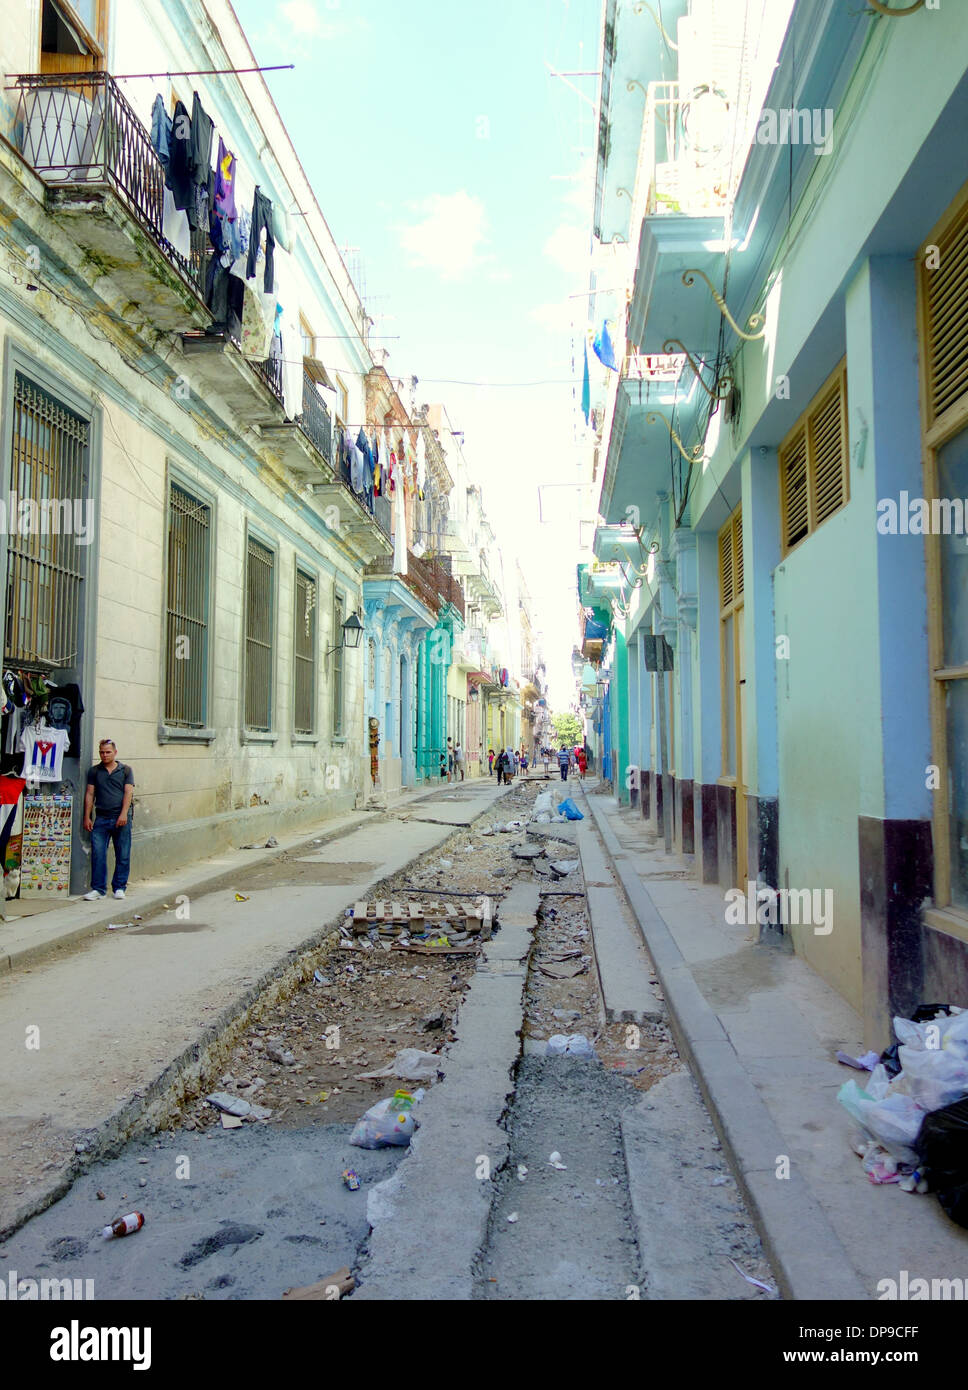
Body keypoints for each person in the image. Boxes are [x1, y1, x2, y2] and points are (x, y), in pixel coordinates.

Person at [83, 739, 135, 900]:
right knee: (98, 853)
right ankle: (98, 889)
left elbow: (128, 793)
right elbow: (90, 794)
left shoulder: (126, 770)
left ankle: (119, 887)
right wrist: (87, 816)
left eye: (108, 752)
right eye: (102, 752)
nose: (104, 755)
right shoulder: (94, 771)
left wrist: (123, 814)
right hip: (101, 818)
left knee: (123, 854)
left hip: (121, 818)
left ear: (115, 752)